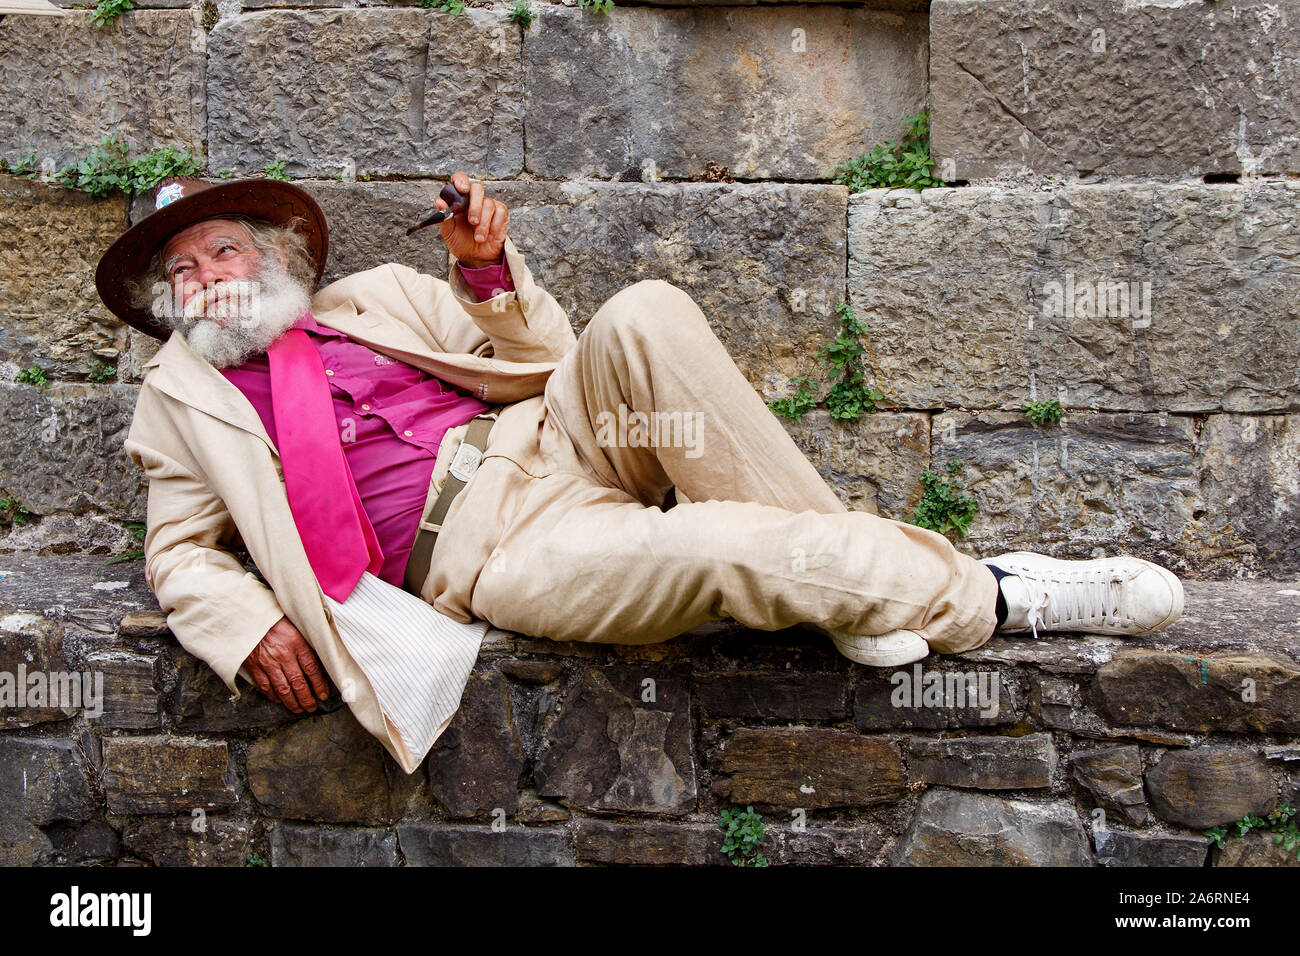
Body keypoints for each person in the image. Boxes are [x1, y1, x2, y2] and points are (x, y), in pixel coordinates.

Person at [96, 174, 1184, 772]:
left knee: (645, 312)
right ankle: (994, 590)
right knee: (711, 543)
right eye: (181, 270)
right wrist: (244, 626)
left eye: (222, 250)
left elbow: (537, 354)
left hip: (555, 438)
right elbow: (180, 554)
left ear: (271, 257)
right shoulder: (179, 400)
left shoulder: (373, 297)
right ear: (167, 302)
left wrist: (481, 271)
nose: (207, 277)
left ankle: (854, 590)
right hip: (495, 551)